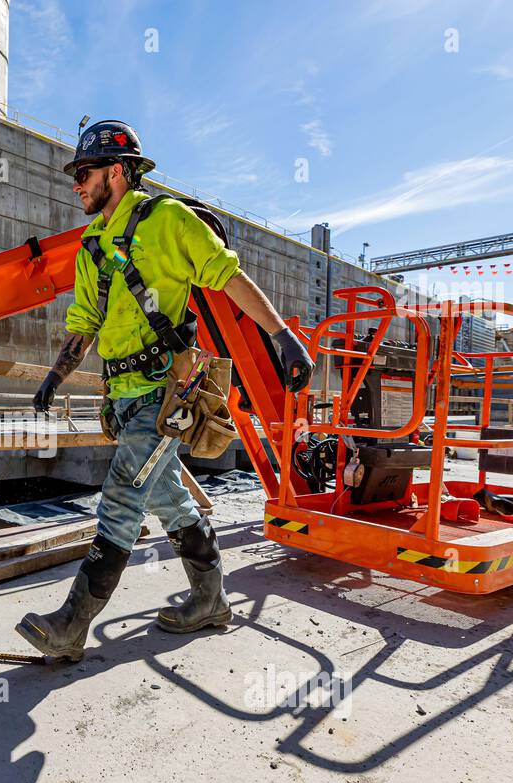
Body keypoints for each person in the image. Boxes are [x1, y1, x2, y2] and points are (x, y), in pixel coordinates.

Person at [16, 119, 313, 662]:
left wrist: (283, 336)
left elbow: (227, 276)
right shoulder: (89, 246)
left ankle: (71, 625)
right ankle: (210, 601)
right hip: (122, 395)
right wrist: (54, 377)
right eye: (74, 175)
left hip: (163, 396)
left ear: (117, 171)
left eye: (83, 173)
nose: (76, 184)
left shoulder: (169, 220)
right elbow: (84, 322)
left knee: (123, 497)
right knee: (172, 499)